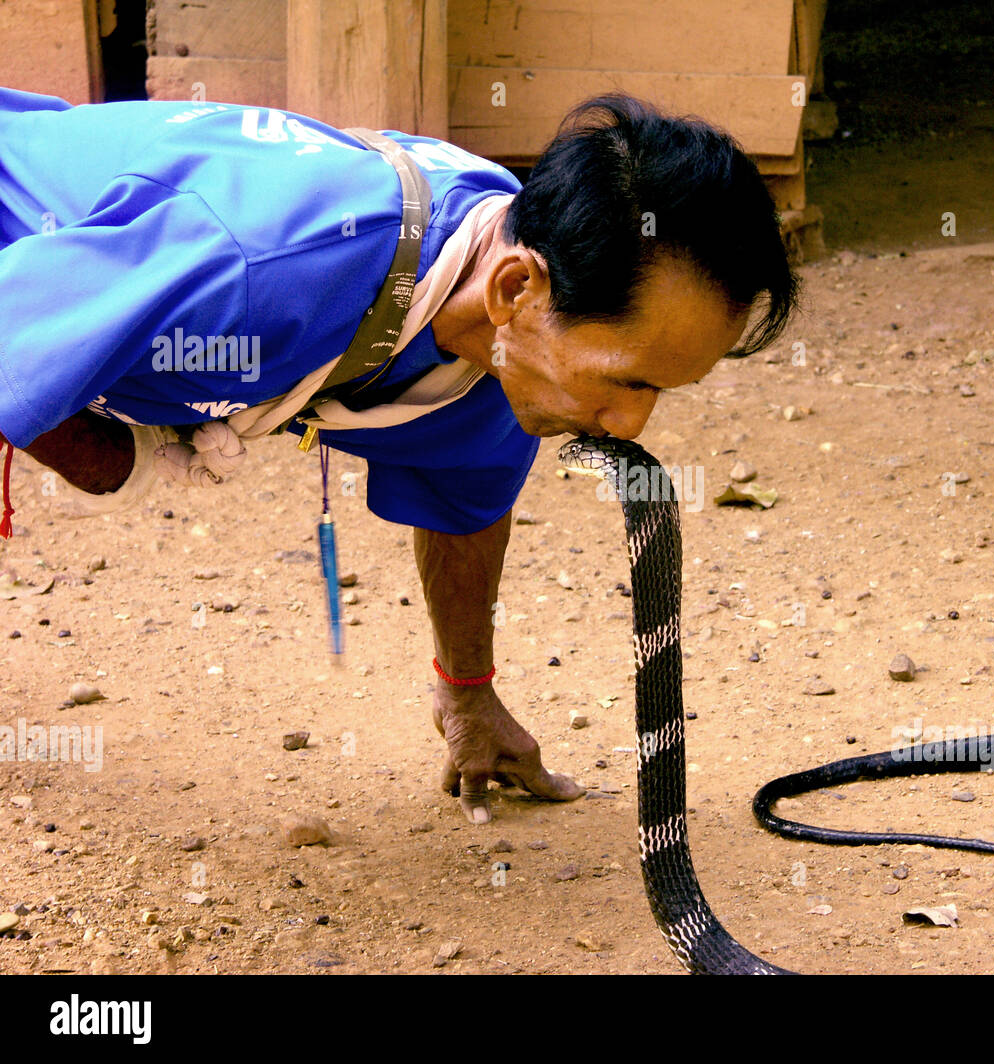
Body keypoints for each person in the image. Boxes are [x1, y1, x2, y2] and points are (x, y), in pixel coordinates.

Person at [0, 87, 799, 823]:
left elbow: (465, 506)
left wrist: (468, 693)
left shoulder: (503, 350)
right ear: (516, 289)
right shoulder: (255, 270)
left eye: (660, 389)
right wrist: (110, 460)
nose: (631, 424)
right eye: (625, 379)